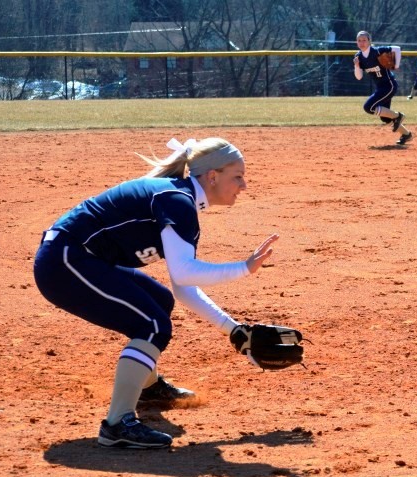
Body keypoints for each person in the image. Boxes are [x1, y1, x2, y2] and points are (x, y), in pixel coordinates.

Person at [33, 137, 278, 449]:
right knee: (152, 326)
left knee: (160, 302)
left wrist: (234, 330)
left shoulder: (181, 199)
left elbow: (182, 286)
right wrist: (243, 268)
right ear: (212, 177)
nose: (243, 186)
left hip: (77, 258)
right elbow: (185, 272)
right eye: (238, 176)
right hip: (65, 263)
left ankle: (147, 387)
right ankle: (117, 423)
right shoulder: (177, 201)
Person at [353, 30, 413, 146]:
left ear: (369, 41)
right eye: (359, 40)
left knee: (368, 107)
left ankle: (398, 116)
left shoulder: (377, 51)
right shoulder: (358, 57)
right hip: (380, 88)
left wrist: (396, 65)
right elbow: (359, 77)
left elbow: (396, 49)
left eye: (364, 40)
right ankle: (406, 134)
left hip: (389, 85)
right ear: (356, 42)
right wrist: (356, 65)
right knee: (385, 118)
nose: (362, 43)